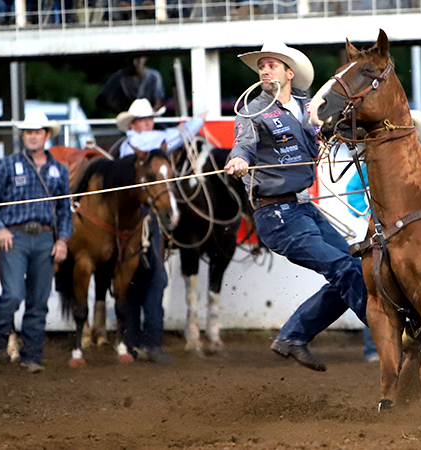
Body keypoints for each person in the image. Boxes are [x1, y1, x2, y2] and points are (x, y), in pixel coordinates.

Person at [224, 42, 368, 372]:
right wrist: (237, 160)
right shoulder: (252, 111)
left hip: (303, 209)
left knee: (351, 268)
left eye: (272, 65)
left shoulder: (308, 106)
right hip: (277, 215)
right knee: (346, 269)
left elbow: (338, 121)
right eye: (262, 65)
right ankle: (392, 337)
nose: (264, 70)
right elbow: (242, 146)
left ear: (289, 74)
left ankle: (293, 336)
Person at [0, 110, 73, 374]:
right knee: (13, 295)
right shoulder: (7, 165)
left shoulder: (59, 171)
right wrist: (0, 229)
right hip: (15, 237)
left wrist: (63, 240)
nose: (33, 136)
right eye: (28, 132)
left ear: (46, 135)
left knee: (39, 300)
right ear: (23, 135)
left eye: (37, 132)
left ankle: (32, 356)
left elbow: (65, 210)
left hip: (45, 238)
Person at [114, 98, 205, 364]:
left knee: (142, 278)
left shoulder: (126, 145)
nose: (148, 123)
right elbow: (181, 135)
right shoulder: (144, 143)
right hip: (140, 218)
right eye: (143, 120)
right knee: (152, 277)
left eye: (149, 119)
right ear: (133, 124)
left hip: (139, 217)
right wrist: (199, 119)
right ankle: (148, 343)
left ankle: (133, 342)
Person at [344, 109, 421, 363]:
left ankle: (413, 345)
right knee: (380, 287)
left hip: (414, 233)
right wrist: (369, 215)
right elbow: (353, 191)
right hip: (384, 231)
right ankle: (376, 349)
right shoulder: (374, 161)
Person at [97, 57, 167, 116]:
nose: (134, 63)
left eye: (138, 58)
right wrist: (121, 113)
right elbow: (101, 100)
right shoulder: (119, 77)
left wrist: (148, 116)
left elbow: (158, 102)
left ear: (145, 58)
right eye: (132, 58)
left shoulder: (154, 76)